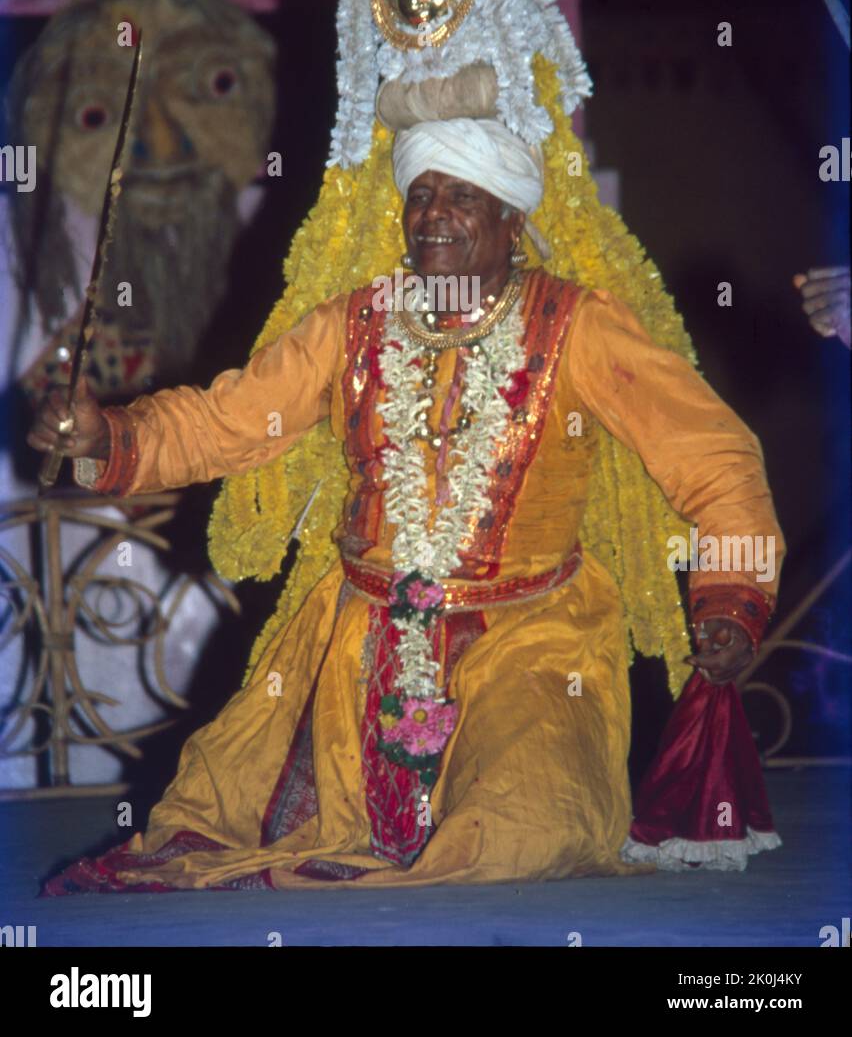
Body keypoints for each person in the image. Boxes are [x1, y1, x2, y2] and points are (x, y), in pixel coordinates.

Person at [29, 115, 784, 891]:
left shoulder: (577, 325)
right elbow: (231, 423)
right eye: (421, 194)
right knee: (209, 820)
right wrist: (104, 436)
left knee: (522, 833)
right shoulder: (354, 323)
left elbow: (714, 456)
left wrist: (732, 594)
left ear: (512, 222)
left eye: (462, 195)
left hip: (535, 641)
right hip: (359, 640)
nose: (434, 213)